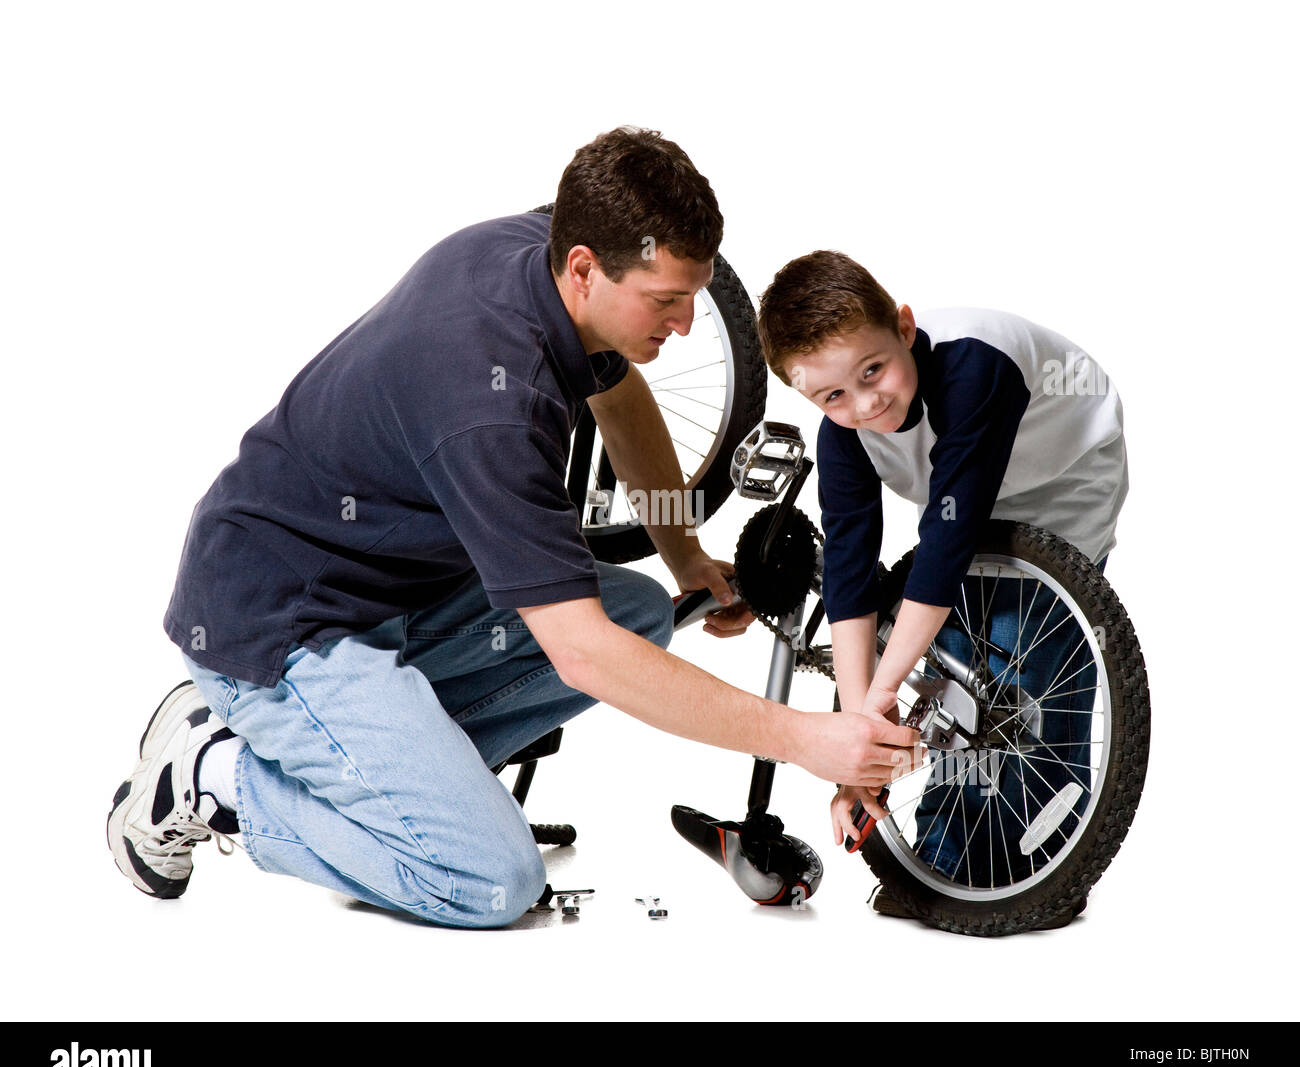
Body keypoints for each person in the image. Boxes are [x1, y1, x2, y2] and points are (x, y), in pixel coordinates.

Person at [107, 130, 921, 927]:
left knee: (639, 611)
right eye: (666, 301)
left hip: (390, 590)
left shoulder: (547, 250)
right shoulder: (489, 404)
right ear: (584, 270)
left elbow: (617, 391)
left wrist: (684, 553)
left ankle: (408, 784)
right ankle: (212, 774)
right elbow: (582, 654)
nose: (681, 326)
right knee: (488, 878)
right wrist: (804, 738)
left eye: (693, 297)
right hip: (282, 625)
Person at [757, 249, 1127, 926]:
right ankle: (946, 857)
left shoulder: (973, 368)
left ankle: (1046, 870)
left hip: (1062, 481)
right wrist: (858, 731)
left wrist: (876, 696)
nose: (864, 404)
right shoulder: (844, 433)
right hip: (967, 500)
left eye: (873, 371)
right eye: (832, 396)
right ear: (807, 396)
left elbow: (945, 545)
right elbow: (847, 578)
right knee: (955, 671)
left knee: (1030, 668)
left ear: (902, 326)